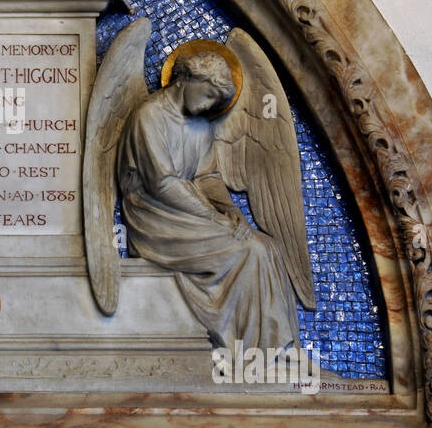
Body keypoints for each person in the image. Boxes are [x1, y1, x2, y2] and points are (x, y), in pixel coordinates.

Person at [117, 50, 301, 354]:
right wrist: (213, 218)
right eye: (208, 95)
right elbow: (162, 184)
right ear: (187, 79)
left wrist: (229, 209)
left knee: (267, 246)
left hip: (191, 210)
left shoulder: (201, 126)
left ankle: (275, 351)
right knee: (250, 250)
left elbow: (207, 177)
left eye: (215, 101)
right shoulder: (148, 115)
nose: (208, 105)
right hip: (154, 215)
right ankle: (256, 350)